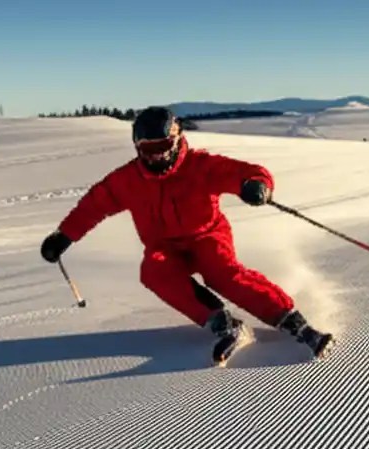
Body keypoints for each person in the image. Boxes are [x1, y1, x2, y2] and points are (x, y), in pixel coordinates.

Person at [40, 106, 333, 364]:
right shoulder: (128, 180)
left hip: (207, 235)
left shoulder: (200, 166)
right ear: (137, 147)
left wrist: (255, 185)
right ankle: (222, 322)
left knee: (221, 273)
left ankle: (293, 322)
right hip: (165, 246)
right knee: (153, 270)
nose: (158, 155)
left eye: (164, 144)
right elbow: (94, 205)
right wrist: (63, 236)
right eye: (148, 148)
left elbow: (247, 172)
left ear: (178, 137)